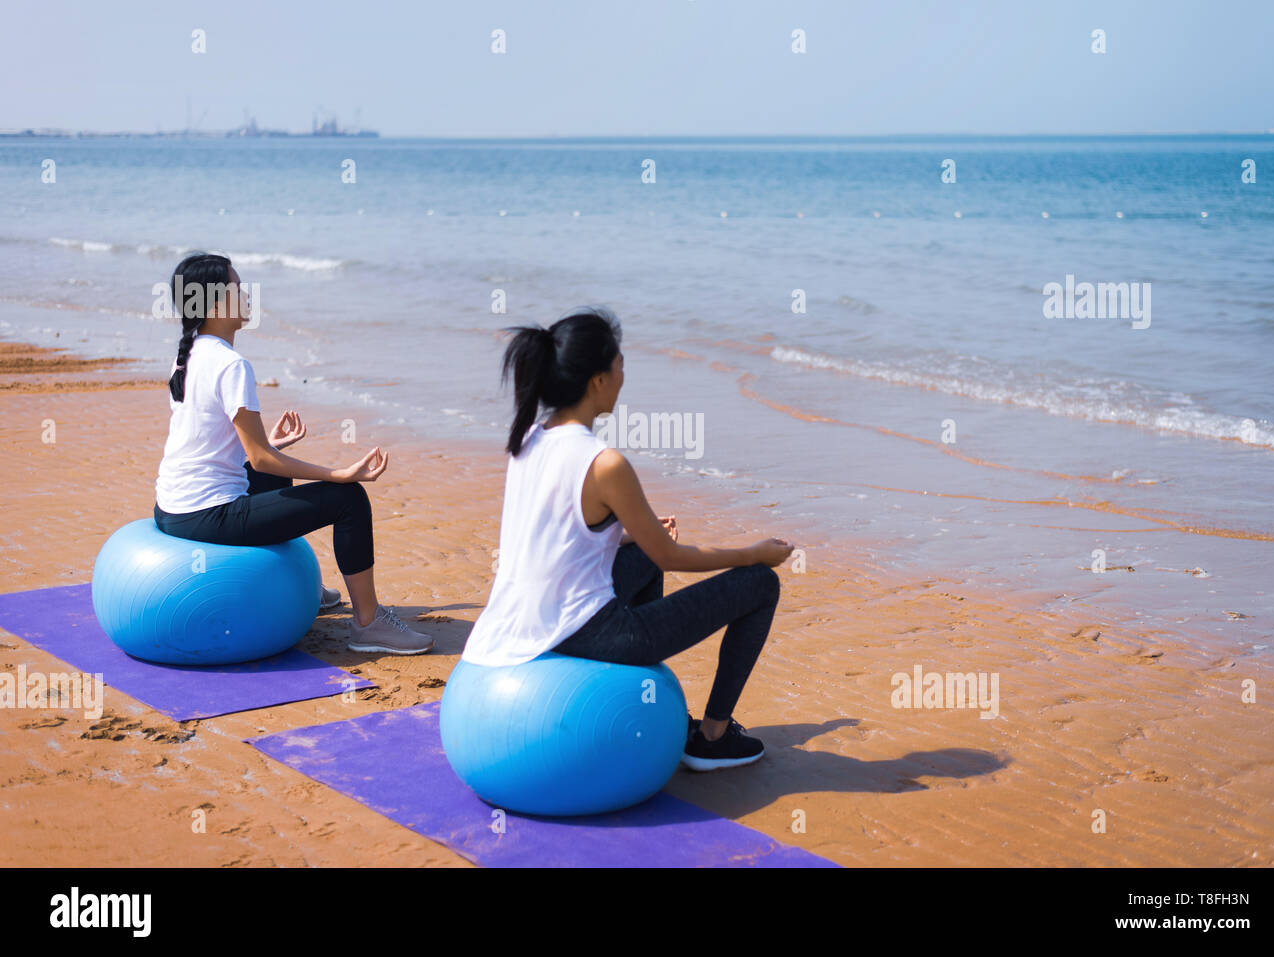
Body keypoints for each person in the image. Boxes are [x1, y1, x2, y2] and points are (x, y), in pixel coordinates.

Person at [462, 308, 793, 770]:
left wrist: (630, 540)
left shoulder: (530, 440)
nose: (624, 375)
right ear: (597, 380)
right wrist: (754, 553)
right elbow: (670, 555)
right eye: (620, 365)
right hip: (584, 631)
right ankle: (713, 738)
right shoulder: (604, 463)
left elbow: (552, 537)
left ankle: (641, 701)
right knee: (759, 584)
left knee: (642, 552)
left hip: (519, 621)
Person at [152, 251, 431, 654]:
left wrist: (271, 445)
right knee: (348, 500)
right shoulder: (231, 365)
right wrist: (340, 474)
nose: (246, 294)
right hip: (206, 516)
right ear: (214, 303)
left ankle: (308, 592)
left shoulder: (188, 354)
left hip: (172, 509)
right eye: (237, 287)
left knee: (274, 476)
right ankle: (369, 624)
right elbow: (260, 458)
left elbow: (205, 439)